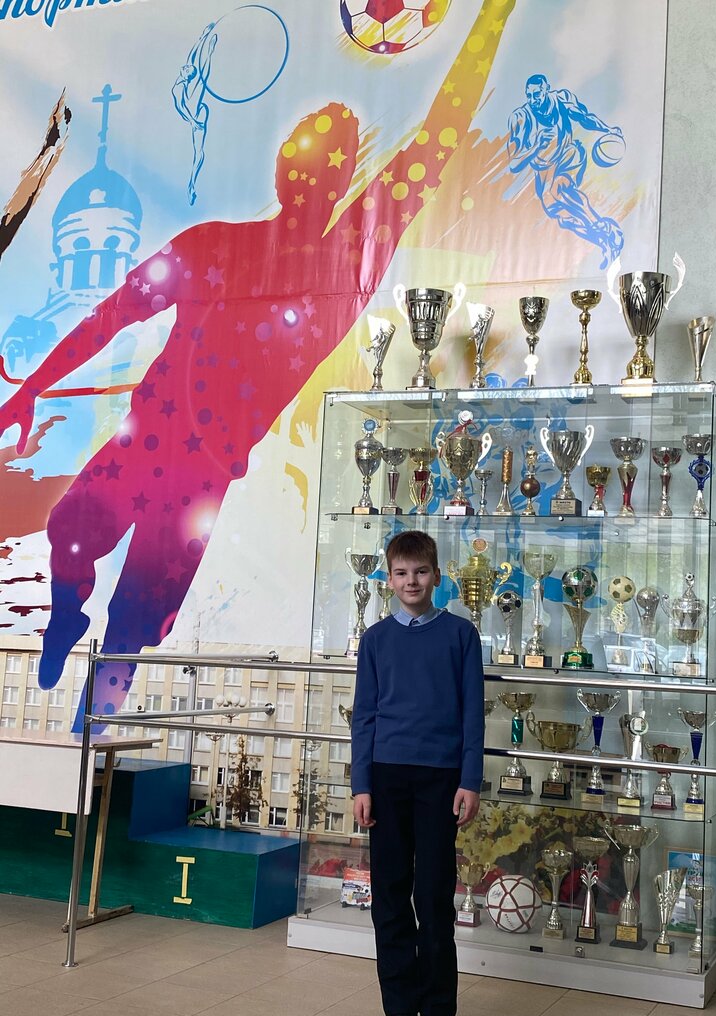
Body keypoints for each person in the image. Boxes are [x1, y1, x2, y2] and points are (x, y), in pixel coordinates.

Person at [0, 0, 516, 731]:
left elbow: (439, 135)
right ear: (280, 170)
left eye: (325, 157)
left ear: (338, 179)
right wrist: (31, 388)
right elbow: (109, 316)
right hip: (143, 446)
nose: (307, 168)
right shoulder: (214, 243)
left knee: (136, 618)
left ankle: (93, 733)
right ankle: (65, 620)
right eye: (302, 153)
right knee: (71, 536)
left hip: (199, 476)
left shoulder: (347, 261)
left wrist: (492, 16)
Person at [351, 530, 484, 1016]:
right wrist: (361, 785)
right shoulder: (375, 640)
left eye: (421, 572)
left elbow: (473, 714)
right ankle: (400, 1011)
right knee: (389, 897)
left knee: (433, 896)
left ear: (437, 577)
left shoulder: (461, 636)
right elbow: (364, 716)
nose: (412, 581)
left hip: (441, 781)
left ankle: (438, 1012)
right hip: (386, 779)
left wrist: (470, 780)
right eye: (402, 573)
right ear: (388, 579)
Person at [508, 73, 625, 268]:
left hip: (569, 153)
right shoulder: (521, 118)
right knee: (563, 218)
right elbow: (514, 163)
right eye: (529, 96)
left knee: (560, 188)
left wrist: (607, 130)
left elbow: (585, 118)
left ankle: (603, 226)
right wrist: (536, 146)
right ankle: (605, 241)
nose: (533, 100)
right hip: (544, 170)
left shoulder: (561, 99)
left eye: (537, 94)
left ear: (546, 90)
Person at [171, 22, 217, 206]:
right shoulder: (181, 81)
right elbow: (192, 55)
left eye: (188, 69)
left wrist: (209, 47)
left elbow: (180, 106)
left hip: (193, 112)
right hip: (194, 114)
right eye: (186, 67)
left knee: (199, 152)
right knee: (198, 152)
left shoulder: (182, 85)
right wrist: (203, 36)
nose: (186, 67)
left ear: (187, 75)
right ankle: (191, 186)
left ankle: (191, 185)